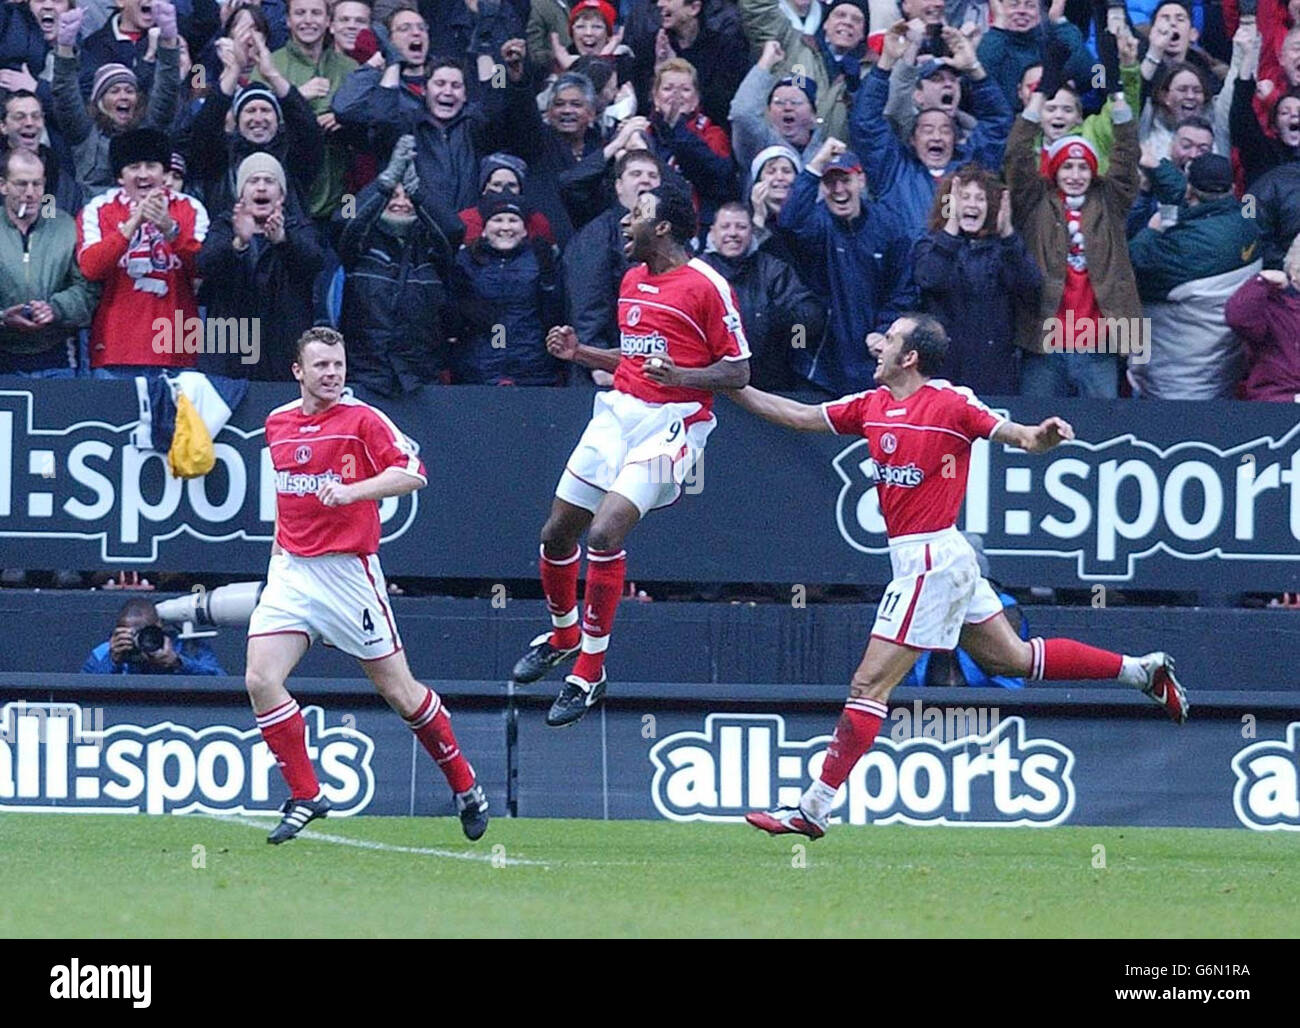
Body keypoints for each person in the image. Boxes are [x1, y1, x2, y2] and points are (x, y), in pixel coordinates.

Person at [728, 313, 1188, 840]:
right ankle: (1141, 671)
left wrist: (1041, 436)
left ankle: (814, 807)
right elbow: (800, 415)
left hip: (933, 562)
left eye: (890, 339)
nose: (877, 344)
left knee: (868, 684)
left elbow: (1013, 433)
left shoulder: (949, 403)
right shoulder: (871, 405)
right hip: (935, 562)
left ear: (911, 358)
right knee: (1014, 657)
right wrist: (732, 387)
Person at [510, 182, 750, 726]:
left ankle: (590, 671)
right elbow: (635, 357)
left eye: (635, 214)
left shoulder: (707, 285)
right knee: (555, 533)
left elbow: (738, 371)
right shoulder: (633, 279)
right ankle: (565, 634)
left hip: (676, 424)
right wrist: (582, 353)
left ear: (662, 226)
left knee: (605, 531)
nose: (624, 223)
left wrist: (683, 376)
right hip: (620, 411)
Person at [246, 325, 489, 844]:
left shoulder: (362, 419)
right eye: (321, 366)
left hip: (348, 575)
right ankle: (306, 794)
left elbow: (413, 474)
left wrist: (354, 491)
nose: (332, 374)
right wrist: (275, 562)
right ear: (299, 372)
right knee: (260, 679)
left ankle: (465, 786)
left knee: (401, 694)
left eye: (338, 365)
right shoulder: (277, 423)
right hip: (291, 572)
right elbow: (285, 501)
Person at [1005, 88, 1141, 398]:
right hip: (1044, 342)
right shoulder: (1034, 200)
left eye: (1083, 167)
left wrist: (1116, 96)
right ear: (1054, 169)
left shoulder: (1110, 201)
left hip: (1098, 342)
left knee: (1100, 437)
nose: (1076, 174)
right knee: (1036, 433)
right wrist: (1039, 95)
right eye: (1067, 166)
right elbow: (1017, 155)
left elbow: (1127, 154)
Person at [776, 140, 917, 395]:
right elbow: (788, 222)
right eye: (830, 182)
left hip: (873, 363)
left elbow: (902, 292)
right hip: (818, 365)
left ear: (861, 180)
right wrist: (814, 166)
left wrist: (884, 332)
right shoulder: (816, 224)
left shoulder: (889, 227)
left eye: (845, 180)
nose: (838, 190)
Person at [855, 21, 1012, 240]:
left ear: (956, 139)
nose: (937, 136)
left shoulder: (973, 167)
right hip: (908, 272)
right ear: (912, 139)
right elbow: (866, 123)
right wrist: (885, 64)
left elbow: (998, 122)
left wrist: (974, 68)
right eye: (927, 130)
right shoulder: (893, 170)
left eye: (946, 130)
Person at [76, 126, 209, 377]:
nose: (143, 175)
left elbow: (203, 270)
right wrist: (131, 224)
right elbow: (91, 268)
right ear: (119, 176)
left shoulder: (190, 208)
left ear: (165, 173)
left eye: (151, 166)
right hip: (115, 349)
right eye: (134, 167)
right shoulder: (98, 209)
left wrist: (171, 231)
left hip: (177, 348)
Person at [1127, 152, 1261, 399]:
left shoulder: (1186, 247)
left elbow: (1130, 267)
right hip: (1222, 371)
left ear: (1191, 190)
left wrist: (1151, 231)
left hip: (1175, 382)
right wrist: (1157, 166)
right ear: (1232, 188)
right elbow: (1194, 199)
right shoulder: (1247, 221)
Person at [911, 164, 1041, 394]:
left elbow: (1030, 287)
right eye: (964, 197)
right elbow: (929, 279)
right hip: (944, 369)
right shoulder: (931, 243)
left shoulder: (1005, 248)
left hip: (994, 370)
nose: (971, 204)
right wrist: (950, 230)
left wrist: (1008, 236)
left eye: (980, 199)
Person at [197, 152, 322, 379]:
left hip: (282, 351)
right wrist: (239, 242)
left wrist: (283, 241)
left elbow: (313, 262)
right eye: (253, 181)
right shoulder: (224, 225)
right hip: (231, 351)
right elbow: (206, 265)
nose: (261, 188)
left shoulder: (298, 227)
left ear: (281, 195)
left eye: (269, 181)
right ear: (241, 194)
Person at [53, 4, 182, 198]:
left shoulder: (146, 131)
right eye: (114, 91)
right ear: (99, 101)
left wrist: (169, 42)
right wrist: (64, 48)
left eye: (129, 90)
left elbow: (167, 92)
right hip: (95, 219)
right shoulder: (86, 133)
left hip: (145, 214)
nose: (123, 96)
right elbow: (65, 95)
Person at [447, 192, 567, 385]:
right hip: (478, 369)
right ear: (484, 229)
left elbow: (555, 313)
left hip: (533, 368)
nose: (505, 227)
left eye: (513, 220)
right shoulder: (466, 261)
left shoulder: (542, 258)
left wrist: (549, 283)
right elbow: (450, 316)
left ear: (524, 229)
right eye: (497, 220)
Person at [0, 148, 97, 376]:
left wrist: (55, 308)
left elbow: (87, 290)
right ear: (3, 186)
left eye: (38, 184)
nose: (31, 193)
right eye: (22, 184)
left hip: (57, 355)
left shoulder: (66, 227)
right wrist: (3, 317)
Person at [1224, 237, 1300, 401]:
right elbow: (1238, 318)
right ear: (1294, 270)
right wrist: (1261, 281)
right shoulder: (1273, 303)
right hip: (1279, 399)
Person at [82, 597, 226, 674]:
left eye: (143, 633)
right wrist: (112, 661)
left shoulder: (187, 647)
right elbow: (85, 700)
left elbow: (220, 684)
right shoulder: (103, 653)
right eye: (130, 634)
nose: (137, 640)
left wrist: (178, 663)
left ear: (159, 626)